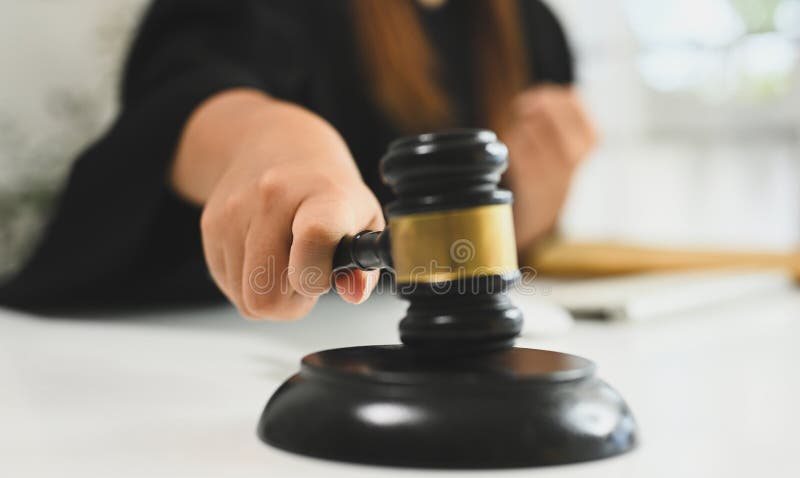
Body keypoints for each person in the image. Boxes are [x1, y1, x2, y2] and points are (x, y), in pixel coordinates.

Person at [0, 0, 596, 319]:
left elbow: (479, 257)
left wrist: (529, 221)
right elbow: (185, 93)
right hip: (171, 347)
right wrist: (271, 138)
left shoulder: (530, 28)